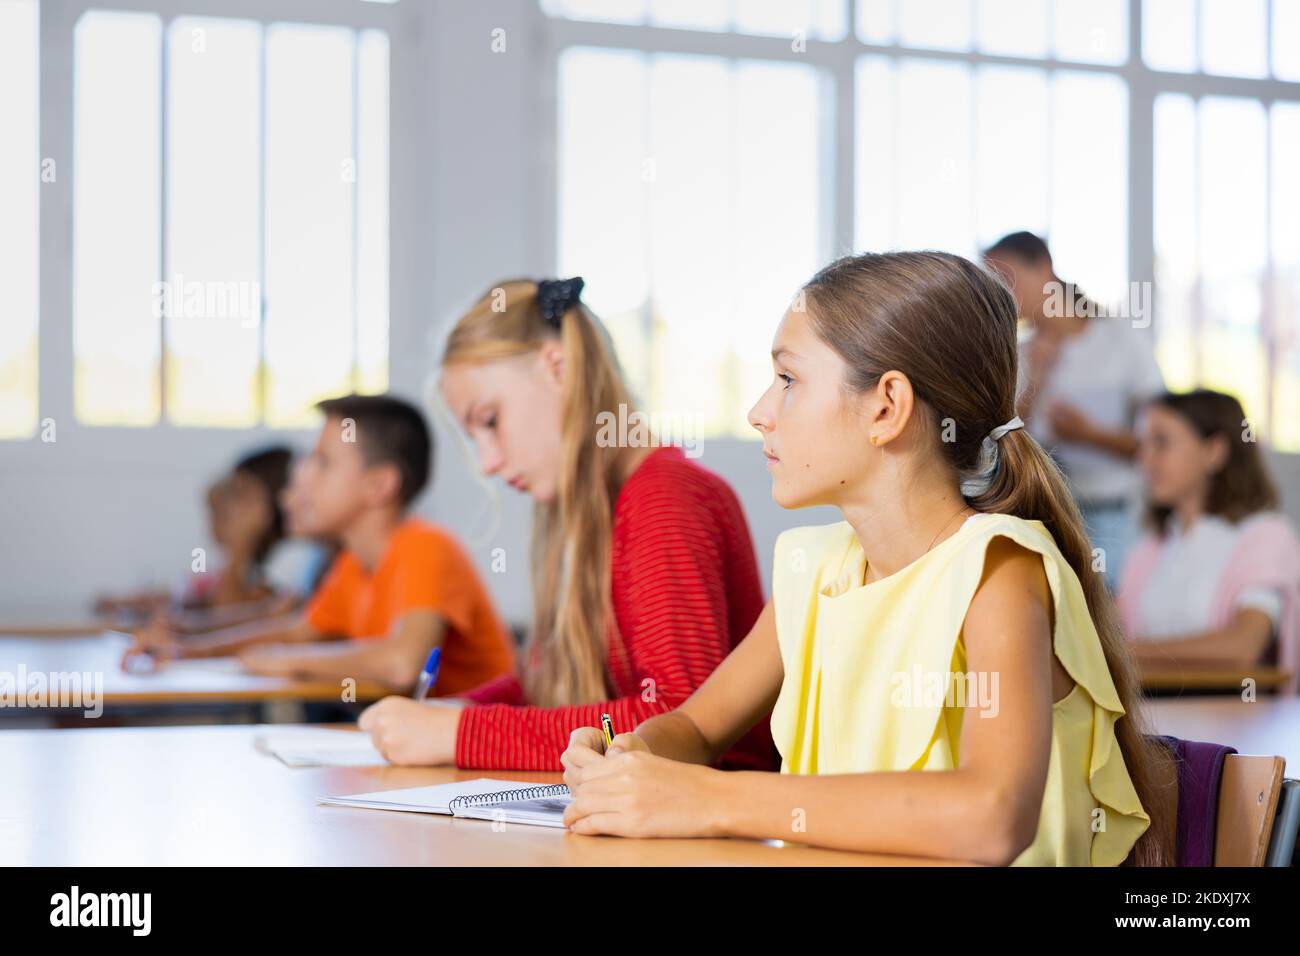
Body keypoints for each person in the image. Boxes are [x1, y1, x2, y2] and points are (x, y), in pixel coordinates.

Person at [560, 252, 1171, 866]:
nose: (759, 412)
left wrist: (707, 798)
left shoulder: (997, 571)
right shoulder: (813, 572)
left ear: (886, 407)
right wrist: (632, 755)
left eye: (788, 380)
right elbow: (695, 728)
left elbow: (992, 817)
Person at [358, 277, 777, 772]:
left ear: (558, 368)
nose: (488, 462)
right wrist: (457, 710)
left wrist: (461, 733)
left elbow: (675, 720)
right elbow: (543, 683)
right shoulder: (593, 511)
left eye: (490, 421)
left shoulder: (665, 498)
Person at [121, 394, 515, 696]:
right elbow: (294, 632)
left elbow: (402, 662)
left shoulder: (426, 546)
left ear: (379, 485)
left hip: (491, 755)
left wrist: (287, 661)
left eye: (322, 462)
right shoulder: (354, 564)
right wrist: (188, 647)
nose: (303, 478)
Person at [984, 231, 1164, 589]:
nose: (1002, 292)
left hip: (1116, 516)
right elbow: (1002, 446)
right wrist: (1036, 380)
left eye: (1007, 278)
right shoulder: (1018, 355)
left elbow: (1161, 440)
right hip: (1044, 518)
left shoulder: (1122, 341)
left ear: (1044, 267)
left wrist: (1089, 436)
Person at [1118, 389, 1300, 691]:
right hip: (1150, 712)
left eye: (1161, 442)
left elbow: (1243, 648)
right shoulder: (1149, 549)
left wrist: (1123, 651)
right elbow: (1106, 632)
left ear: (1214, 451)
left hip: (1230, 713)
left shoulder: (1265, 535)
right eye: (1142, 444)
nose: (1144, 459)